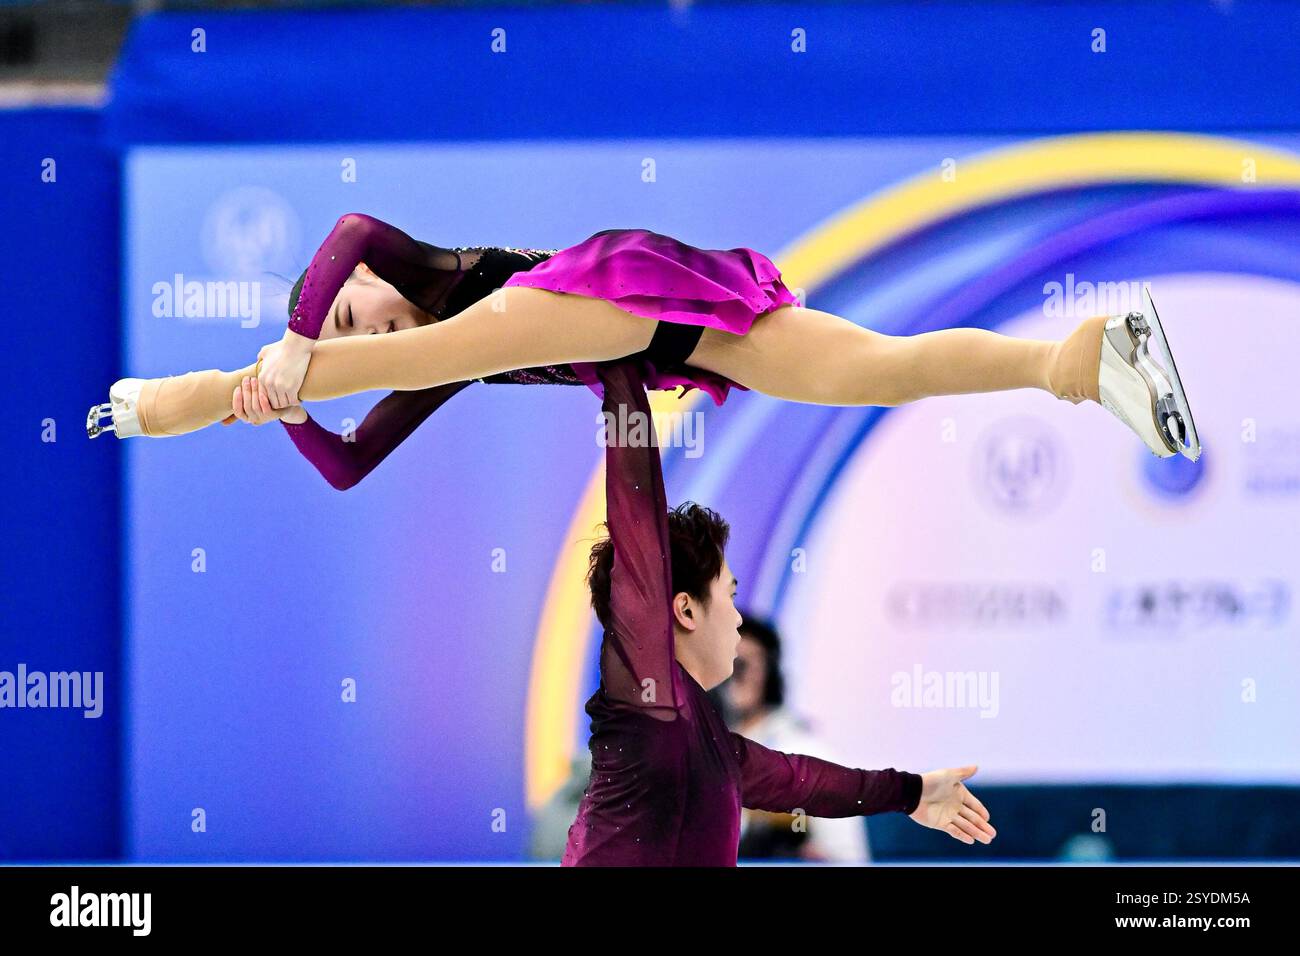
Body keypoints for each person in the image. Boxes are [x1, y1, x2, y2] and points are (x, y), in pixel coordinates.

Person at [88, 215, 1198, 473]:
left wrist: (290, 346)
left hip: (599, 287)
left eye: (348, 307)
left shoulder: (427, 280)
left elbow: (349, 232)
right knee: (875, 371)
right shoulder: (443, 358)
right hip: (669, 335)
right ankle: (1077, 358)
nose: (359, 317)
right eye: (340, 326)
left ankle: (148, 402)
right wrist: (284, 400)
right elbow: (346, 462)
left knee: (412, 354)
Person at [563, 358, 995, 865]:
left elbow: (804, 780)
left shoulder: (710, 742)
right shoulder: (648, 700)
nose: (739, 616)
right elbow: (635, 516)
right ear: (684, 609)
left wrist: (913, 792)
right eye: (729, 593)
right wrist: (620, 370)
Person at [720, 614, 873, 863]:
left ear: (769, 674)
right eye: (724, 662)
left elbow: (850, 858)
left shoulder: (808, 754)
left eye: (744, 664)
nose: (733, 675)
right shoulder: (690, 754)